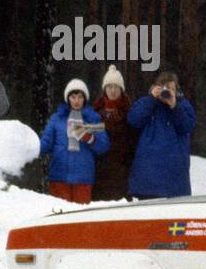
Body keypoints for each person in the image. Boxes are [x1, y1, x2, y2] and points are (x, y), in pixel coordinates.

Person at [37, 78, 110, 205]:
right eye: (73, 97)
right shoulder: (57, 118)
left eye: (80, 97)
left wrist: (89, 138)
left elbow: (104, 146)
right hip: (59, 177)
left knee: (79, 220)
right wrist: (26, 148)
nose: (76, 101)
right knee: (58, 219)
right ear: (67, 98)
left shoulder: (93, 119)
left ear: (85, 99)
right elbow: (44, 145)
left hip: (83, 178)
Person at [126, 71, 196, 199]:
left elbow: (188, 126)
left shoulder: (183, 105)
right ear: (156, 88)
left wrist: (174, 106)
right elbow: (133, 120)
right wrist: (151, 99)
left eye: (171, 89)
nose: (167, 92)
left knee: (173, 217)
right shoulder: (146, 102)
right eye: (164, 88)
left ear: (177, 90)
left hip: (174, 176)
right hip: (148, 175)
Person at [92, 66, 133, 201]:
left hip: (121, 171)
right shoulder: (95, 110)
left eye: (116, 87)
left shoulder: (129, 112)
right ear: (105, 89)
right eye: (109, 86)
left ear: (121, 89)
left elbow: (133, 143)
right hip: (99, 171)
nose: (113, 90)